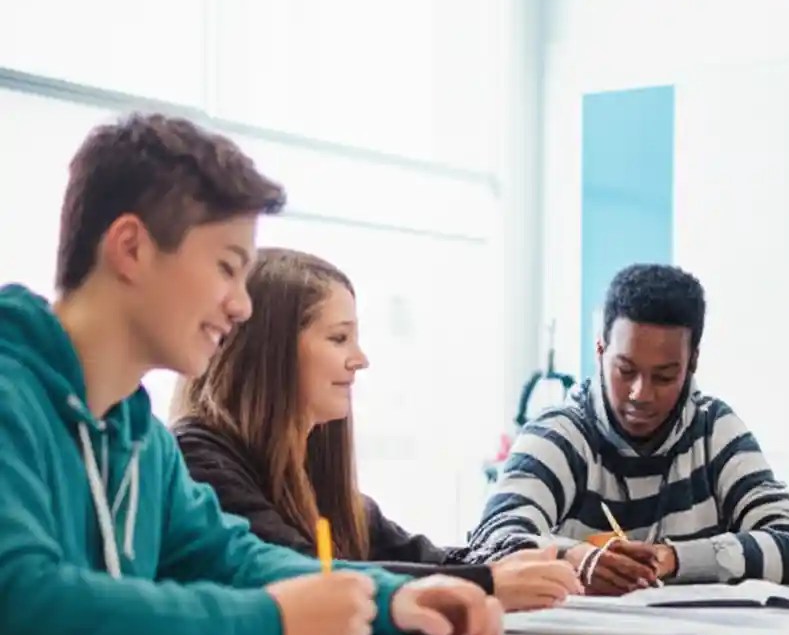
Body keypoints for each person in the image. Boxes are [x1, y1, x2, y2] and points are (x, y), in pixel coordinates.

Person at [0, 114, 500, 635]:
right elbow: (21, 604)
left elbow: (234, 559)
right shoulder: (13, 397)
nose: (241, 307)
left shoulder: (142, 439)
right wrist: (276, 620)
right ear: (131, 248)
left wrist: (396, 600)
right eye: (226, 268)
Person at [174, 248, 582, 613]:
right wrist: (487, 584)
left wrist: (539, 562)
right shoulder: (199, 458)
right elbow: (304, 573)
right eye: (339, 338)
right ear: (269, 350)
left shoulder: (313, 472)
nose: (360, 359)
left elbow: (426, 557)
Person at [469, 264, 789, 592]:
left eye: (664, 376)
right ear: (600, 352)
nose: (641, 393)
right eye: (625, 370)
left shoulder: (714, 431)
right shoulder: (560, 436)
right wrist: (574, 558)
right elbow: (491, 541)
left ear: (692, 363)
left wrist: (675, 558)